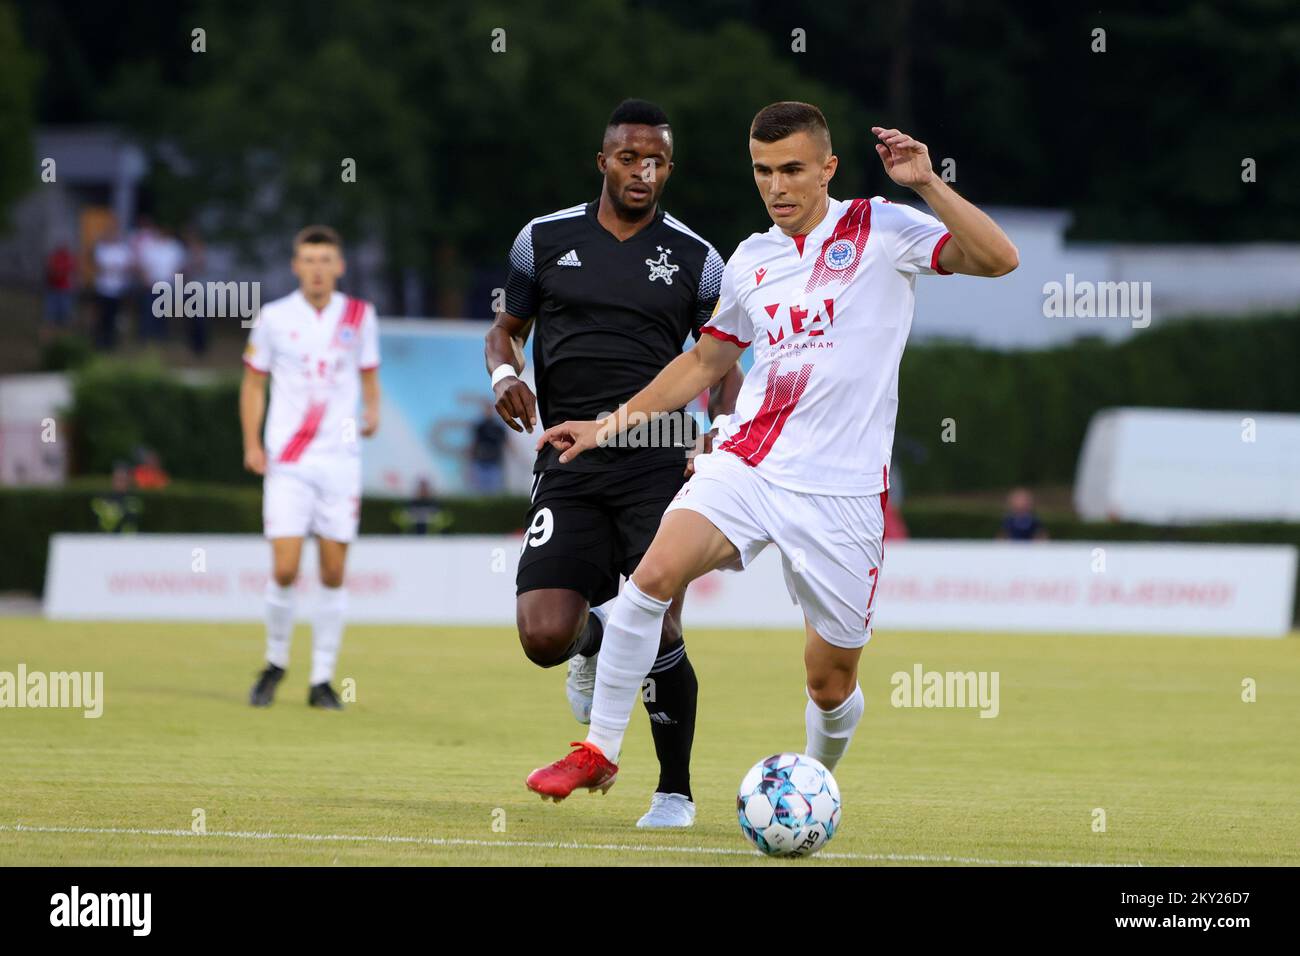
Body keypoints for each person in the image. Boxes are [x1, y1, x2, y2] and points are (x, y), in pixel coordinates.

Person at [525, 101, 1019, 802]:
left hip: (843, 491)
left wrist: (928, 185)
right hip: (750, 460)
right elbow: (704, 363)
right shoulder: (751, 258)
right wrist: (607, 425)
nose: (777, 187)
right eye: (763, 171)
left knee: (830, 679)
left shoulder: (881, 226)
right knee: (649, 580)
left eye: (792, 170)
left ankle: (814, 783)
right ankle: (598, 750)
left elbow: (1001, 259)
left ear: (827, 169)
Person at [485, 98, 743, 828]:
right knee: (542, 636)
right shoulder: (542, 241)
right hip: (568, 460)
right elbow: (504, 330)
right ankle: (597, 639)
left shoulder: (699, 259)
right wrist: (505, 377)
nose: (644, 171)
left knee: (660, 630)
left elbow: (722, 362)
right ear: (603, 161)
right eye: (630, 158)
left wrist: (720, 430)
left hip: (660, 466)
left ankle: (675, 793)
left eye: (657, 160)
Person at [240, 225, 381, 710]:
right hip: (289, 458)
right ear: (295, 266)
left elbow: (369, 372)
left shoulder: (360, 315)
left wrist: (373, 411)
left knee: (334, 570)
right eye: (308, 259)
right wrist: (252, 442)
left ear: (338, 266)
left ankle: (322, 678)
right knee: (283, 567)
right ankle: (275, 661)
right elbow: (254, 384)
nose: (317, 268)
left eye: (325, 260)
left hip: (340, 460)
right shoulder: (274, 318)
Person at [91, 225, 132, 350]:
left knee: (114, 317)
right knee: (101, 316)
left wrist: (113, 269)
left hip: (117, 289)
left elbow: (128, 267)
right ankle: (99, 341)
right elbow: (98, 266)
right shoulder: (102, 249)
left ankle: (111, 342)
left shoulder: (123, 250)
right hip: (103, 288)